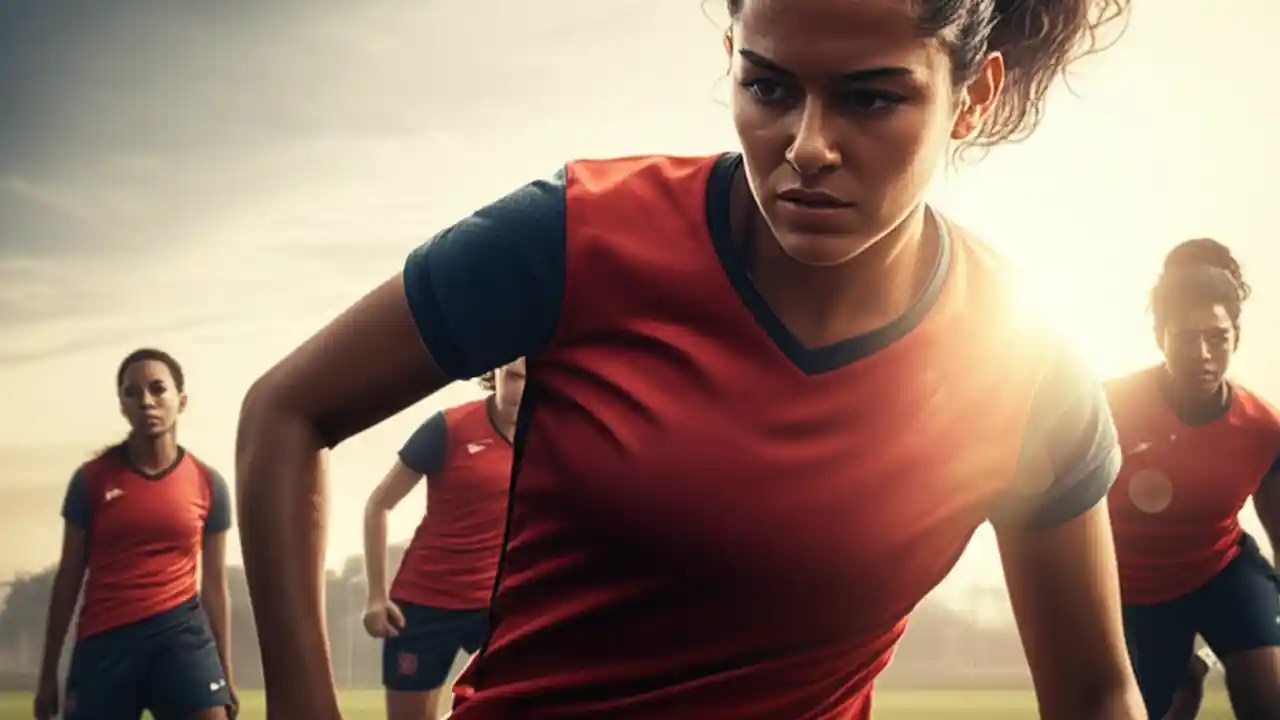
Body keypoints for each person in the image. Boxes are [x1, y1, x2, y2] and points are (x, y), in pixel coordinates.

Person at [236, 1, 1145, 718]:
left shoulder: (1025, 366)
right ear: (732, 60)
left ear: (972, 97)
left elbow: (1097, 695)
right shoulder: (573, 238)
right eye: (771, 88)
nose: (808, 147)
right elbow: (287, 410)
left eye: (871, 98)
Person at [1106, 239, 1280, 720]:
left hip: (1222, 571)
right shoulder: (1106, 409)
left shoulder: (1264, 428)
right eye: (1186, 337)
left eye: (1217, 337)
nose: (1203, 353)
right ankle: (1187, 673)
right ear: (1160, 336)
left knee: (1269, 702)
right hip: (1136, 591)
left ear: (1236, 338)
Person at [33, 348, 236, 720]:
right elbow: (68, 580)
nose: (146, 401)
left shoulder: (209, 483)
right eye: (132, 392)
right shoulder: (91, 480)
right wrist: (48, 675)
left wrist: (225, 670)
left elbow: (216, 587)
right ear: (123, 406)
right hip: (106, 642)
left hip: (181, 638)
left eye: (158, 389)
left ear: (181, 401)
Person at [363, 359, 525, 720]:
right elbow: (379, 504)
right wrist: (376, 595)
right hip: (422, 605)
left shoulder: (550, 435)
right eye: (514, 377)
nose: (522, 391)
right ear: (494, 374)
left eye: (534, 380)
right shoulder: (448, 428)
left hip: (495, 609)